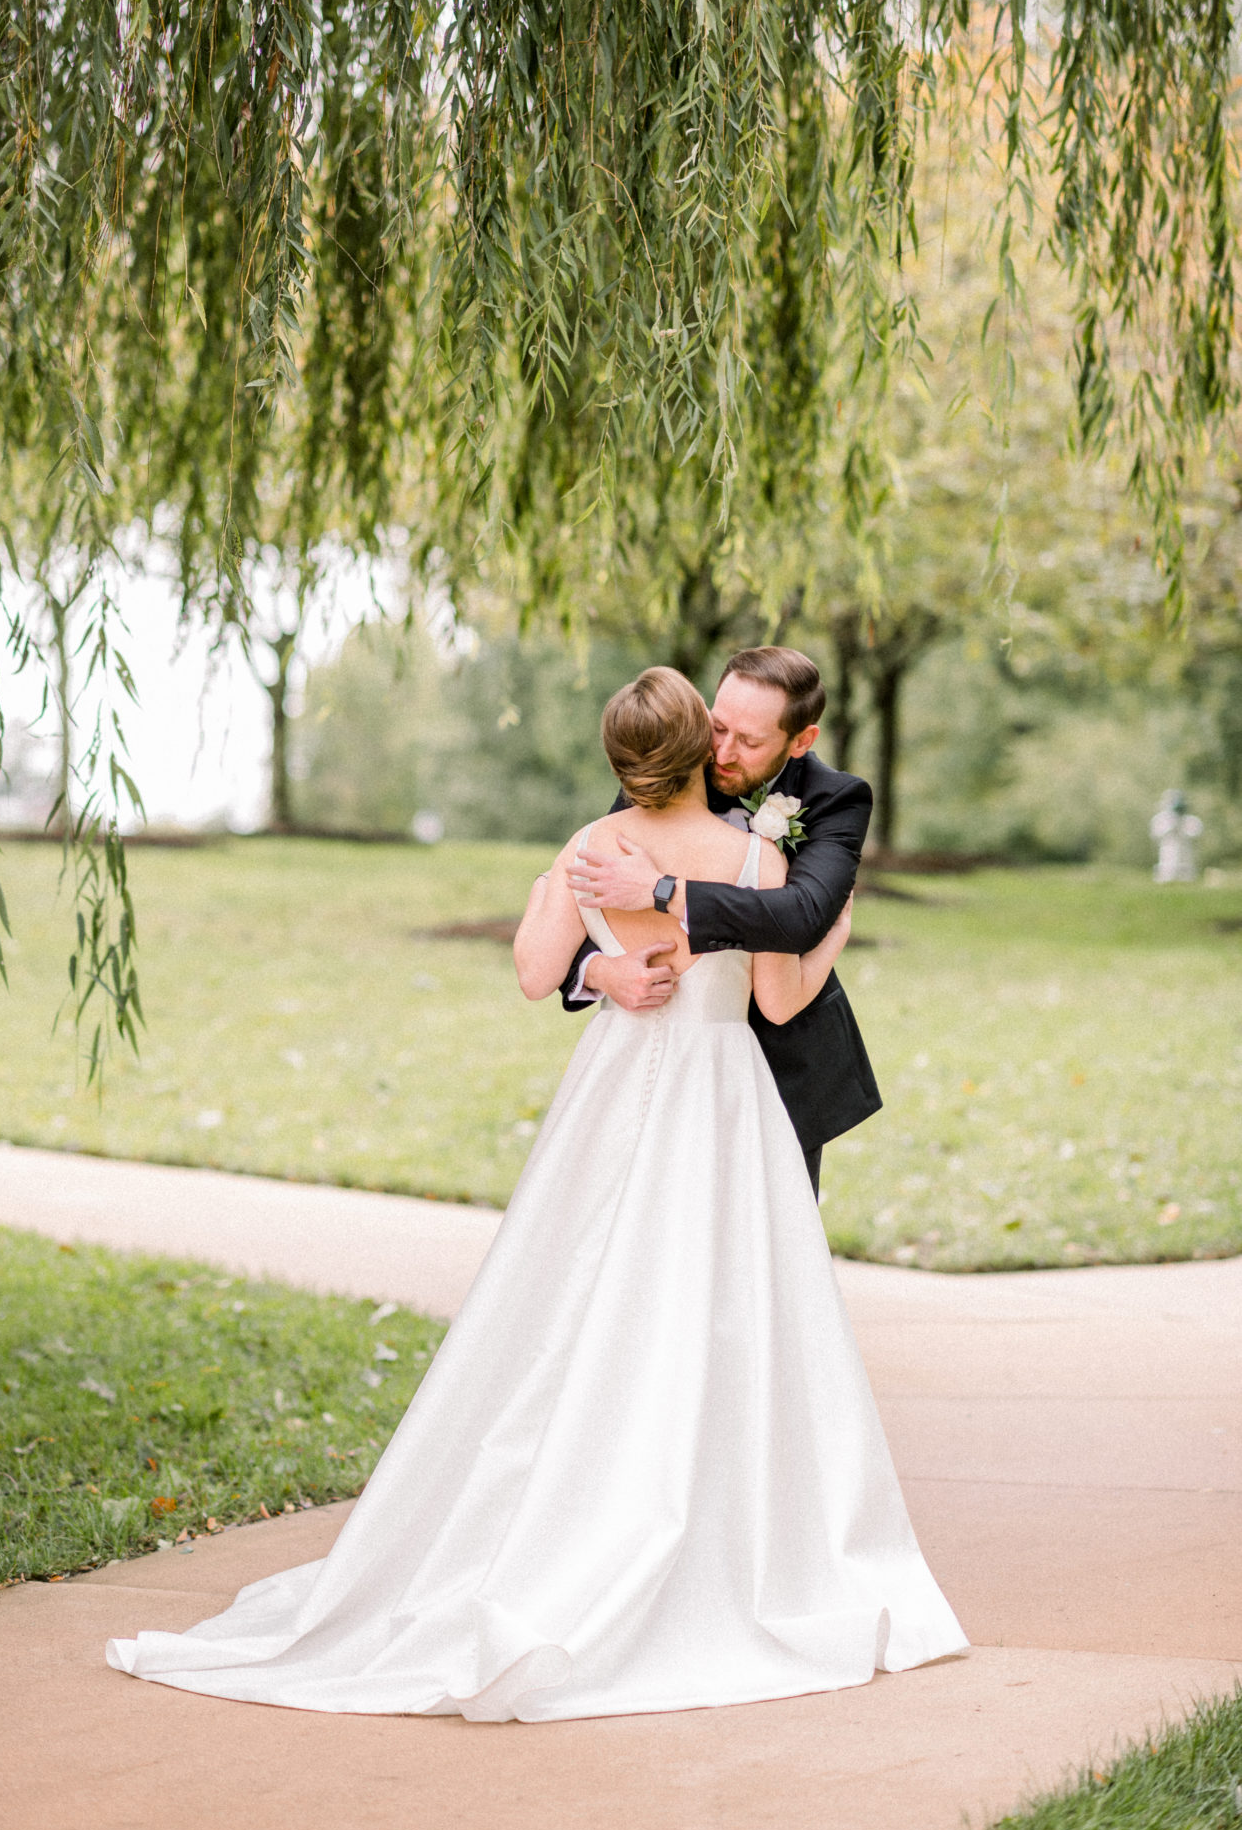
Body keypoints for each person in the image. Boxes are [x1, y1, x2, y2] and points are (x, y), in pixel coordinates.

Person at [105, 667, 965, 1722]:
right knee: (722, 1308)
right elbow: (782, 995)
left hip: (611, 1092)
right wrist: (822, 920)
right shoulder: (755, 856)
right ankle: (718, 1525)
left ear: (620, 762)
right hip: (721, 1100)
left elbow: (530, 967)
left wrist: (601, 973)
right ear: (703, 746)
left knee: (569, 1294)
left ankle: (557, 1503)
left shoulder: (588, 847)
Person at [562, 646, 880, 1197]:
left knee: (765, 1249)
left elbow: (800, 916)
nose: (722, 752)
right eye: (717, 726)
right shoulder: (668, 767)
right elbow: (589, 895)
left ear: (801, 740)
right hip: (660, 1063)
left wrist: (663, 891)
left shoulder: (837, 800)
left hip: (783, 1063)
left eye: (750, 741)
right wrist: (598, 972)